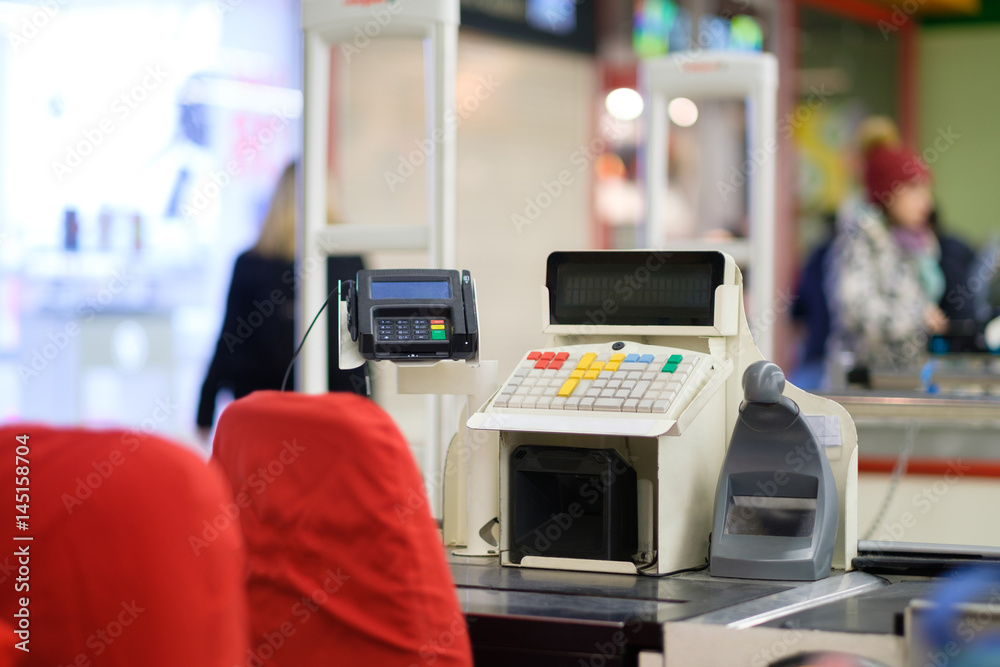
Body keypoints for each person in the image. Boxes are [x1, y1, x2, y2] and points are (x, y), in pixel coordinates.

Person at [197, 162, 366, 436]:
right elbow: (357, 349)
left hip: (261, 412)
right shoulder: (348, 260)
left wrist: (204, 411)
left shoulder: (250, 263)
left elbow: (229, 340)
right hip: (335, 412)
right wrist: (370, 409)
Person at [827, 118, 951, 378]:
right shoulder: (860, 239)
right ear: (890, 192)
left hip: (900, 378)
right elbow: (856, 311)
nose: (926, 203)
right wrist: (918, 318)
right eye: (915, 191)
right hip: (861, 381)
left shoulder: (912, 243)